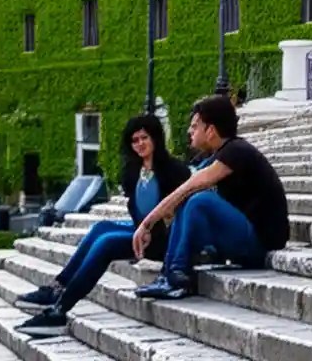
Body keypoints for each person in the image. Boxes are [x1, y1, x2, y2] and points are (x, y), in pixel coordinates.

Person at [14, 114, 189, 336]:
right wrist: (141, 228)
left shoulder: (175, 170)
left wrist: (150, 230)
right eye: (134, 140)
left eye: (144, 137)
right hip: (142, 233)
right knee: (101, 228)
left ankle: (60, 309)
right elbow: (135, 209)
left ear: (156, 138)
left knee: (106, 243)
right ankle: (57, 287)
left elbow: (181, 213)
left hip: (165, 240)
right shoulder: (132, 171)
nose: (140, 144)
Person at [133, 95, 289, 300]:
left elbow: (191, 186)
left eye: (195, 126)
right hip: (241, 237)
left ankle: (178, 275)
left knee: (198, 199)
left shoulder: (236, 151)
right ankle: (168, 274)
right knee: (188, 200)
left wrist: (147, 223)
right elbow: (184, 192)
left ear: (211, 130)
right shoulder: (219, 154)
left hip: (260, 242)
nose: (190, 131)